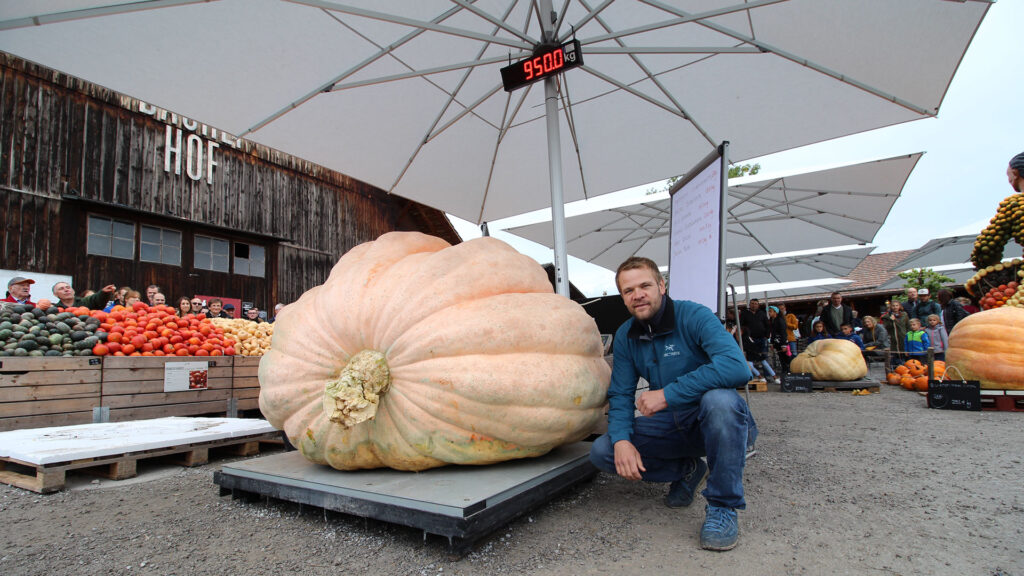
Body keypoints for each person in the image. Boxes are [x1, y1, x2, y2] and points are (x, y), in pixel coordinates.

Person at [589, 257, 756, 552]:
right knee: (604, 451)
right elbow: (621, 395)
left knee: (718, 400)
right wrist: (622, 441)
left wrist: (667, 394)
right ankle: (687, 469)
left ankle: (722, 506)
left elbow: (737, 368)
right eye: (628, 291)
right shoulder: (627, 336)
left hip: (717, 422)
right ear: (623, 298)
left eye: (644, 286)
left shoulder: (695, 316)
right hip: (672, 426)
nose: (637, 294)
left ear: (661, 286)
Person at [739, 299, 771, 379]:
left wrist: (766, 336)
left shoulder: (762, 313)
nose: (754, 305)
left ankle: (767, 375)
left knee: (764, 356)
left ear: (758, 305)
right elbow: (741, 325)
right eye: (752, 303)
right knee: (750, 358)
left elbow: (767, 325)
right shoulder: (744, 313)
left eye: (756, 304)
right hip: (750, 339)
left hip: (762, 338)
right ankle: (751, 376)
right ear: (749, 304)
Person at [768, 306, 790, 373]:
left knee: (785, 358)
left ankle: (787, 371)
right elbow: (773, 333)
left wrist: (784, 345)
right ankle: (784, 371)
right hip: (777, 342)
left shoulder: (780, 320)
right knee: (781, 358)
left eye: (770, 311)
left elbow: (783, 332)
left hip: (782, 341)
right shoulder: (772, 320)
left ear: (775, 312)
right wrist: (772, 343)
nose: (769, 313)